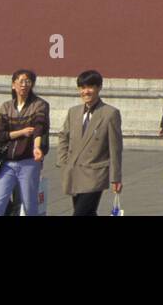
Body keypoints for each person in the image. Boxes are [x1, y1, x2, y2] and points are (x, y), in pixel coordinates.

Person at [56, 69, 123, 216]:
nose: (86, 91)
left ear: (99, 88)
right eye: (82, 87)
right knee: (88, 212)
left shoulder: (110, 113)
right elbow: (64, 137)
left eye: (90, 87)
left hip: (95, 173)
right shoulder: (73, 112)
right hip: (74, 171)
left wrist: (116, 178)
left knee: (80, 213)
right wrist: (63, 161)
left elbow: (115, 148)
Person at [0, 68, 50, 216]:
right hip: (6, 164)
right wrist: (21, 132)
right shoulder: (6, 107)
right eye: (21, 81)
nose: (24, 85)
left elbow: (39, 127)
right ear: (13, 84)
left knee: (30, 208)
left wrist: (37, 147)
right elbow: (0, 134)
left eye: (28, 81)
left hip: (29, 162)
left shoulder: (39, 105)